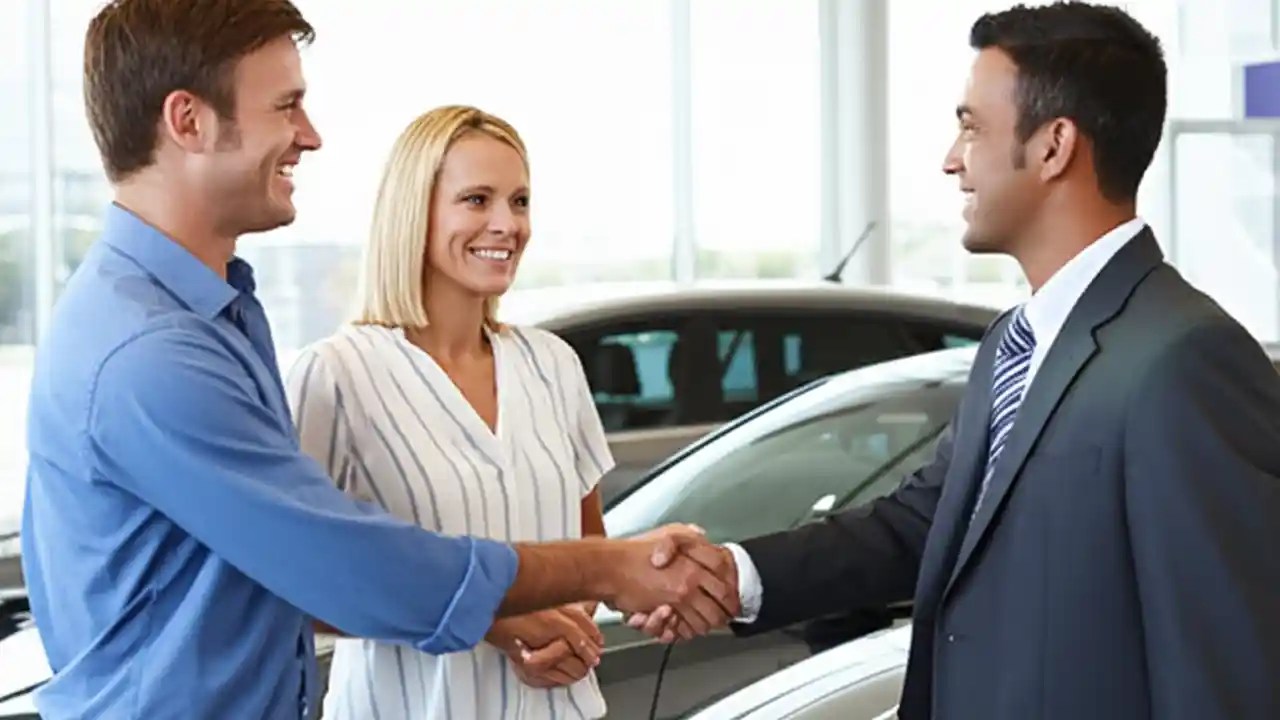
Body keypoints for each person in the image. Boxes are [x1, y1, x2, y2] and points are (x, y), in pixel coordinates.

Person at [20, 2, 733, 719]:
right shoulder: (152, 355)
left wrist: (596, 583)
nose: (311, 135)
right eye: (287, 105)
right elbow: (346, 567)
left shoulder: (213, 315)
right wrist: (610, 569)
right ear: (189, 121)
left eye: (518, 200)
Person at [633, 3, 1280, 718]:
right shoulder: (1014, 341)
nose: (951, 158)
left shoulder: (1185, 358)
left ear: (1054, 144)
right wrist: (735, 574)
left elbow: (1227, 671)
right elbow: (922, 522)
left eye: (972, 127)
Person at [285, 105, 613, 719]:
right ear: (416, 213)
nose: (506, 224)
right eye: (477, 200)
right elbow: (296, 587)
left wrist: (563, 631)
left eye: (519, 202)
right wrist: (485, 616)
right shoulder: (336, 375)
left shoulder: (554, 366)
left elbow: (589, 547)